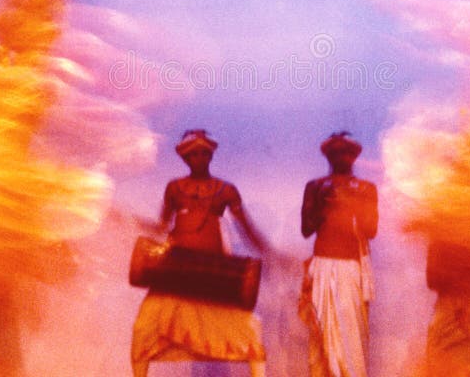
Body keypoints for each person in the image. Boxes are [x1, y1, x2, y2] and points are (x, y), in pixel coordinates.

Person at [131, 129, 269, 377]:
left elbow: (245, 226)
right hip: (175, 272)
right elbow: (162, 226)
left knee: (248, 330)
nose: (199, 158)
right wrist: (133, 221)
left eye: (204, 153)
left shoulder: (226, 190)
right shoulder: (174, 188)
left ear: (210, 155)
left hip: (214, 273)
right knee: (144, 328)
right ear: (186, 158)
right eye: (193, 154)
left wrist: (269, 251)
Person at [299, 132, 378, 377]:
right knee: (322, 338)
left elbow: (371, 230)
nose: (341, 156)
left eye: (346, 151)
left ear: (354, 156)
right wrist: (322, 205)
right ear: (328, 155)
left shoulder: (366, 188)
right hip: (322, 267)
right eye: (336, 152)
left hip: (350, 270)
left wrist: (353, 203)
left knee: (350, 339)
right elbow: (306, 230)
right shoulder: (315, 187)